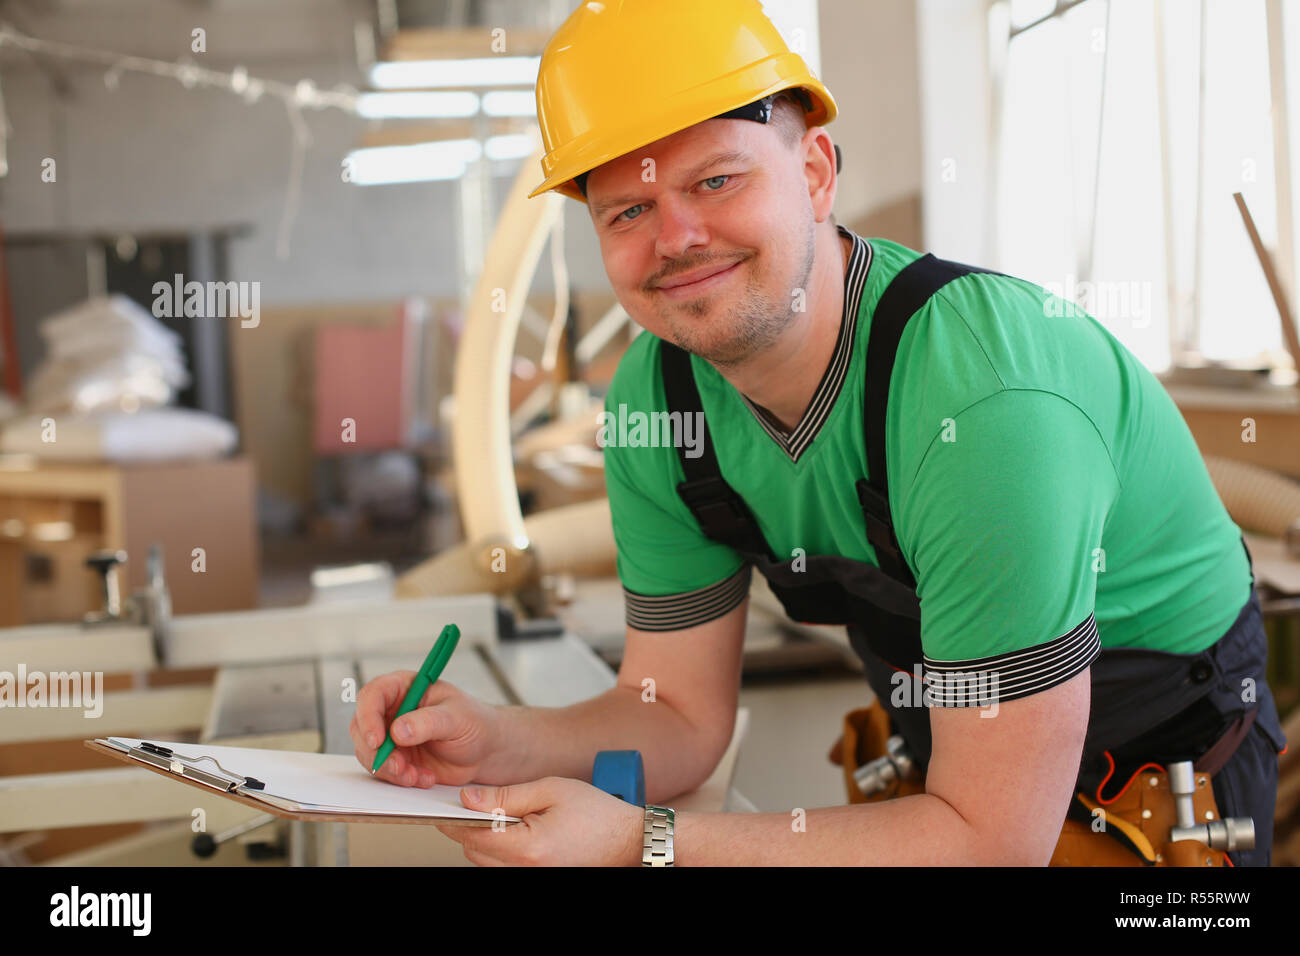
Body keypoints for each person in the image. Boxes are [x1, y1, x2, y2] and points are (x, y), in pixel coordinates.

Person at [349, 0, 1287, 866]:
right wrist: (494, 739)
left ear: (814, 172)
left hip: (1160, 779)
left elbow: (990, 843)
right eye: (627, 210)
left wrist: (647, 844)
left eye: (715, 180)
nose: (674, 236)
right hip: (961, 781)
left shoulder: (985, 404)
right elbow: (673, 713)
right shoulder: (661, 397)